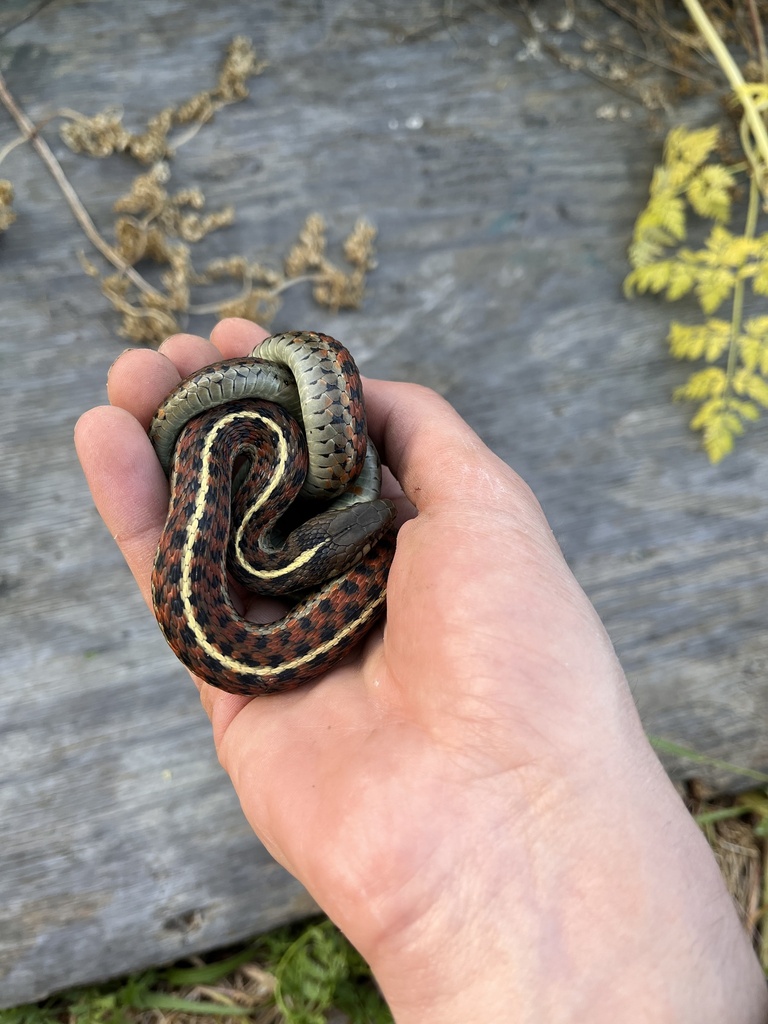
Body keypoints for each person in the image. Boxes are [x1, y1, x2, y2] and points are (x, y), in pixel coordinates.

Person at [75, 318, 768, 1023]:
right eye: (364, 535)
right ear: (321, 560)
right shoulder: (251, 500)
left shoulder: (272, 498)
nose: (378, 527)